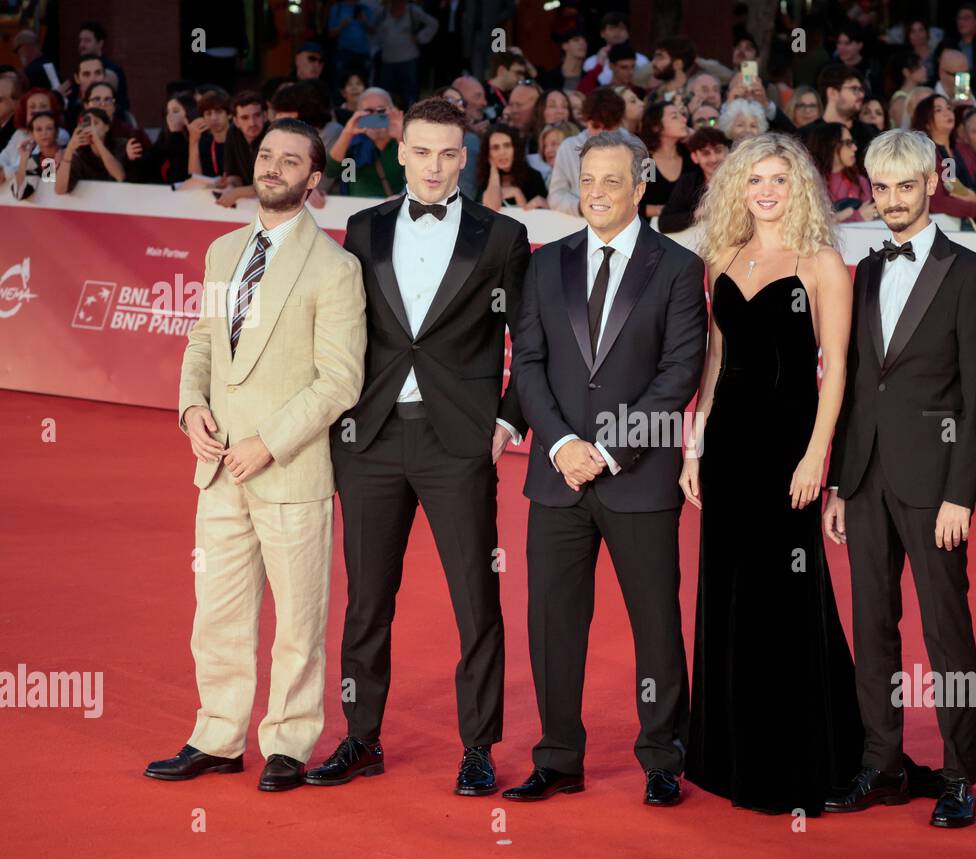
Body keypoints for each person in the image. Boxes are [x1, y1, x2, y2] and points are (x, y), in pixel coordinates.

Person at [306, 98, 530, 792]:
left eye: (448, 154)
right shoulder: (363, 228)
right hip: (369, 440)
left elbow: (534, 341)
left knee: (474, 600)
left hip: (456, 440)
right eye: (423, 152)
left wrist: (507, 420)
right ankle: (360, 739)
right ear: (402, 152)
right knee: (366, 602)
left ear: (465, 158)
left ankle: (477, 747)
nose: (434, 167)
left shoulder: (502, 236)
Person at [146, 118, 367, 791]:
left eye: (289, 160)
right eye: (266, 155)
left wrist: (266, 443)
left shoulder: (336, 267)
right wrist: (191, 409)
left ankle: (289, 743)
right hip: (216, 469)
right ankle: (217, 735)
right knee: (215, 612)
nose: (273, 167)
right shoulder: (220, 253)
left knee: (299, 617)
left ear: (314, 179)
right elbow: (203, 345)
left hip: (289, 468)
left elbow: (340, 379)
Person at [504, 132, 707, 805]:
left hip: (638, 476)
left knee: (656, 624)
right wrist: (562, 445)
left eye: (611, 181)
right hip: (557, 479)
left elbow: (679, 372)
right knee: (552, 624)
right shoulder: (546, 262)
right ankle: (558, 756)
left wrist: (613, 449)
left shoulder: (677, 267)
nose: (595, 192)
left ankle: (661, 757)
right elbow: (527, 363)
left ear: (640, 186)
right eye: (588, 179)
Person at [822, 129, 976, 826]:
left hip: (936, 487)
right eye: (882, 187)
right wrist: (840, 482)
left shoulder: (971, 273)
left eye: (906, 185)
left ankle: (960, 775)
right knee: (874, 628)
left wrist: (961, 492)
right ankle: (883, 763)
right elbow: (856, 383)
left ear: (933, 183)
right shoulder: (862, 271)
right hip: (865, 479)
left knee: (946, 630)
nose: (893, 200)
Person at [676, 132, 860, 815]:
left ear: (800, 187)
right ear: (737, 188)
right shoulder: (722, 254)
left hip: (789, 447)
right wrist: (694, 444)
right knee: (727, 591)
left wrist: (818, 454)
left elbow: (836, 367)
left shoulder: (821, 263)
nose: (767, 190)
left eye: (779, 179)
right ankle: (730, 755)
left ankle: (797, 758)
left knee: (785, 594)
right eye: (755, 179)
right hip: (727, 446)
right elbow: (717, 359)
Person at [913, 94, 976, 230]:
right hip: (945, 228)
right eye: (938, 110)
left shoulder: (964, 149)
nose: (947, 112)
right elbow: (937, 202)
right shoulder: (924, 155)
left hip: (975, 222)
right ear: (926, 122)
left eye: (949, 108)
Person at [546, 86, 631, 215]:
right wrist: (581, 207)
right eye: (596, 126)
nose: (601, 133)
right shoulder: (569, 147)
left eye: (608, 127)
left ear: (618, 123)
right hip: (580, 226)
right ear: (586, 121)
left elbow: (643, 189)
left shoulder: (633, 146)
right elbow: (555, 195)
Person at [325, 86, 406, 197]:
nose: (375, 116)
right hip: (357, 210)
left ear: (392, 111)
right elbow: (330, 170)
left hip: (393, 210)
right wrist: (347, 133)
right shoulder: (353, 144)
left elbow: (417, 173)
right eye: (369, 111)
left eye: (381, 111)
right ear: (358, 114)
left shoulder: (400, 142)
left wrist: (401, 137)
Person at [658, 126, 729, 233]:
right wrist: (696, 214)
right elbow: (664, 223)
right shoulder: (688, 182)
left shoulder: (742, 179)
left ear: (728, 152)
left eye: (718, 151)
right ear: (695, 157)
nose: (713, 159)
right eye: (706, 153)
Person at [805, 121, 877, 222]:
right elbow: (811, 223)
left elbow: (868, 217)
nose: (855, 148)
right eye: (848, 143)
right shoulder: (808, 181)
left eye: (853, 142)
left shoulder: (860, 182)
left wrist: (845, 215)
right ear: (830, 145)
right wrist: (852, 214)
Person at [375, 0, 438, 109]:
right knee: (387, 96)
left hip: (408, 59)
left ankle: (412, 120)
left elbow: (433, 23)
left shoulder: (413, 10)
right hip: (387, 61)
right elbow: (376, 30)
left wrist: (420, 37)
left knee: (410, 96)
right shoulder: (383, 11)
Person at [639, 100, 691, 219]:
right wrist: (662, 210)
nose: (684, 120)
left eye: (682, 115)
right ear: (656, 127)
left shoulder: (689, 157)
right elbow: (631, 205)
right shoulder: (647, 162)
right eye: (674, 117)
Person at [54, 108, 126, 193]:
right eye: (86, 124)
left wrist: (97, 142)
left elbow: (120, 176)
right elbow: (59, 190)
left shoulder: (120, 144)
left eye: (95, 123)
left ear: (107, 127)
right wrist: (70, 149)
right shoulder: (79, 155)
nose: (91, 128)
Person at [478, 122, 547, 209]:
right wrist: (494, 171)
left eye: (507, 146)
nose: (502, 152)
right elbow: (492, 206)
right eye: (495, 148)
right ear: (488, 153)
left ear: (515, 149)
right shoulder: (486, 179)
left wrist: (517, 193)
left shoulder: (533, 177)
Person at [8, 109, 61, 200]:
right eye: (38, 129)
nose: (44, 133)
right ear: (32, 134)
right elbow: (19, 194)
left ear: (57, 132)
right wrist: (24, 157)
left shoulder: (69, 154)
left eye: (49, 128)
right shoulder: (33, 162)